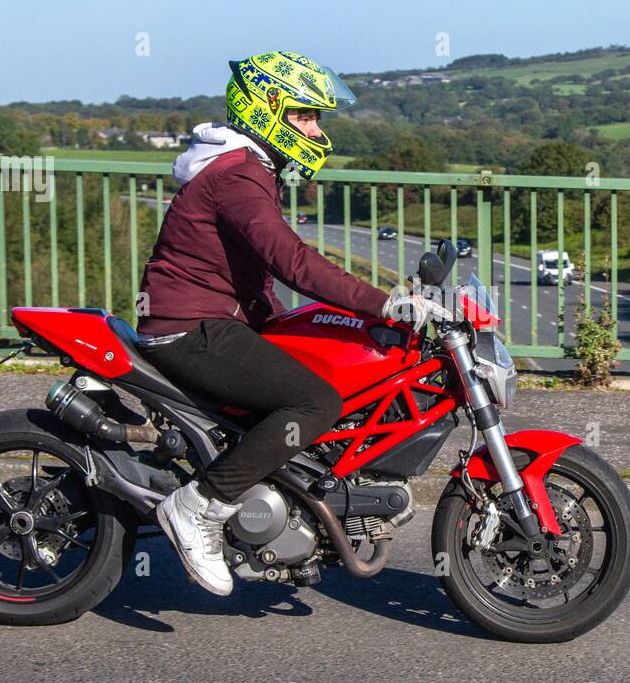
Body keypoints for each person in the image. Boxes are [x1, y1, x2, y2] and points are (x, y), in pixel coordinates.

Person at [136, 51, 438, 596]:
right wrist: (383, 301)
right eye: (306, 116)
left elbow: (253, 276)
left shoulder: (248, 169)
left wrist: (294, 322)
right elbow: (290, 260)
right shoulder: (239, 175)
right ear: (267, 109)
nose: (316, 129)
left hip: (212, 319)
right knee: (316, 403)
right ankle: (200, 505)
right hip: (188, 327)